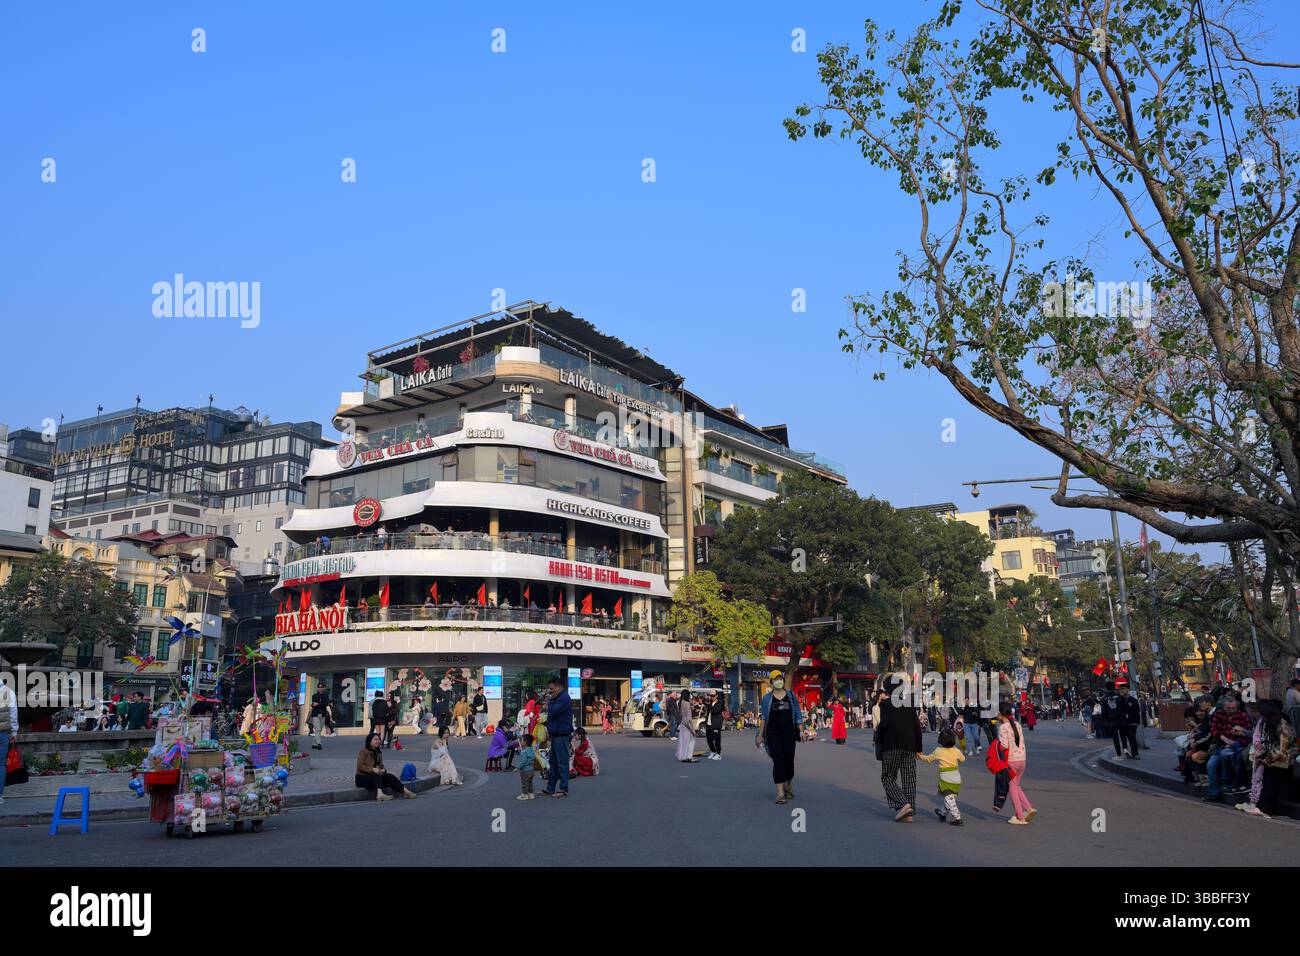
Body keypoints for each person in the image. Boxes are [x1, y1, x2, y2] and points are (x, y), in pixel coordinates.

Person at [876, 676, 923, 822]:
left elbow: (884, 725)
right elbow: (917, 727)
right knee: (909, 779)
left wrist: (877, 737)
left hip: (892, 745)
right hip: (910, 746)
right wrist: (918, 748)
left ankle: (903, 805)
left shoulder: (886, 704)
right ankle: (909, 813)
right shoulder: (908, 704)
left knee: (888, 777)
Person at [757, 670, 802, 804]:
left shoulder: (791, 696)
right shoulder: (767, 698)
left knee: (789, 761)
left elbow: (798, 714)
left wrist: (801, 731)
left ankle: (788, 783)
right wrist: (760, 735)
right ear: (771, 682)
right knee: (778, 761)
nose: (778, 681)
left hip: (789, 733)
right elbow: (764, 718)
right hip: (773, 734)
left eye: (780, 678)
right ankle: (780, 793)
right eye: (775, 679)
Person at [1246, 700, 1296, 817]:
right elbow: (1268, 743)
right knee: (1267, 777)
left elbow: (1283, 747)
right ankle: (1262, 807)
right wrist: (1262, 756)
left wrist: (1267, 759)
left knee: (1272, 778)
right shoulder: (1267, 722)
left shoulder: (1282, 724)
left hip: (1285, 758)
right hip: (1275, 756)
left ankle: (1265, 808)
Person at [997, 701, 1036, 825]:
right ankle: (1028, 808)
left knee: (1012, 787)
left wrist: (996, 745)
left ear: (1000, 713)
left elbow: (1004, 745)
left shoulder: (1002, 727)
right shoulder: (1017, 724)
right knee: (1016, 785)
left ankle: (1020, 816)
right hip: (1022, 759)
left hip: (1011, 761)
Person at [919, 727, 966, 825]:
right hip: (956, 777)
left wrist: (920, 756)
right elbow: (963, 759)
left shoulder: (938, 751)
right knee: (950, 797)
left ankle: (958, 818)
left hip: (946, 777)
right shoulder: (956, 750)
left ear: (941, 740)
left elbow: (928, 759)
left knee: (949, 798)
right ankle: (943, 813)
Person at [355, 733, 417, 801]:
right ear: (369, 741)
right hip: (362, 778)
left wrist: (383, 770)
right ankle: (380, 795)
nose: (378, 741)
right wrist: (372, 769)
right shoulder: (363, 752)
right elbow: (360, 766)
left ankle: (406, 792)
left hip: (374, 777)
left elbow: (381, 766)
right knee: (377, 776)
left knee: (389, 776)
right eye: (375, 739)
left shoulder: (378, 752)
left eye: (379, 739)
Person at [543, 675, 573, 798]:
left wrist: (549, 701)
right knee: (553, 763)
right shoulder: (557, 698)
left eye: (552, 689)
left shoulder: (564, 698)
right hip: (555, 734)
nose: (550, 692)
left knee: (562, 762)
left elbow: (553, 711)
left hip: (562, 734)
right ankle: (550, 788)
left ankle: (563, 788)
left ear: (559, 687)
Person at [1111, 682, 1141, 759]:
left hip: (1132, 722)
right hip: (1122, 723)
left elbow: (1136, 711)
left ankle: (1135, 754)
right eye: (1120, 689)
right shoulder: (1119, 700)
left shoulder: (1133, 700)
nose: (1122, 691)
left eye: (1123, 689)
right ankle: (1126, 751)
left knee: (1132, 737)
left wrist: (1136, 722)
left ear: (1128, 690)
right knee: (1123, 737)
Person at [675, 691, 699, 762]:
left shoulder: (680, 703)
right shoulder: (687, 704)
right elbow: (689, 718)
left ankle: (682, 756)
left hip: (682, 723)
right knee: (691, 740)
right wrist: (693, 728)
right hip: (687, 724)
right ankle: (688, 756)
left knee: (683, 740)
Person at [309, 681, 332, 750]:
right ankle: (319, 743)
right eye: (319, 687)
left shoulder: (326, 696)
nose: (320, 688)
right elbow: (313, 704)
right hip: (315, 714)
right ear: (317, 688)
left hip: (323, 714)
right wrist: (315, 704)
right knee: (318, 729)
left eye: (321, 687)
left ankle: (314, 743)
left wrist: (318, 704)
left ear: (323, 688)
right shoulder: (314, 696)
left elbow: (326, 704)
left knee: (319, 730)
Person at [517, 733, 537, 800]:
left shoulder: (524, 752)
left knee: (524, 783)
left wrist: (517, 767)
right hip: (531, 770)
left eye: (522, 741)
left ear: (525, 742)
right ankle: (531, 794)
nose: (521, 742)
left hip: (525, 770)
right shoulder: (531, 749)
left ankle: (524, 795)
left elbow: (523, 761)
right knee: (530, 782)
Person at [705, 689, 725, 760]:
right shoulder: (710, 702)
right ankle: (713, 751)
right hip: (709, 723)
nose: (712, 697)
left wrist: (709, 705)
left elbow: (715, 710)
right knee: (709, 739)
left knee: (717, 739)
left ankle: (718, 753)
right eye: (711, 696)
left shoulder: (720, 703)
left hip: (716, 723)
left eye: (713, 696)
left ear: (716, 696)